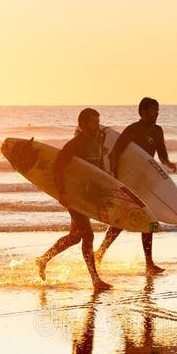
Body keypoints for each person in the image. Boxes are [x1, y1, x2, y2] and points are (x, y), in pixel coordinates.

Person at [95, 97, 177, 274]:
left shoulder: (157, 130)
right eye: (154, 110)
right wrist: (116, 178)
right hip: (130, 181)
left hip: (147, 183)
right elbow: (115, 154)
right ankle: (100, 253)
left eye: (158, 110)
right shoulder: (132, 130)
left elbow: (161, 153)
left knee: (150, 220)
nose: (157, 113)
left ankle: (149, 263)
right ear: (143, 112)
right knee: (122, 219)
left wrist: (168, 163)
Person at [35, 108, 111, 291]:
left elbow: (98, 168)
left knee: (76, 236)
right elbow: (57, 167)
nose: (96, 125)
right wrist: (62, 193)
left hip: (88, 195)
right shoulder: (74, 144)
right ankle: (95, 280)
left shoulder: (98, 142)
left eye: (97, 121)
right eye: (93, 122)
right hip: (74, 195)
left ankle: (43, 259)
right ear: (82, 124)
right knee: (88, 235)